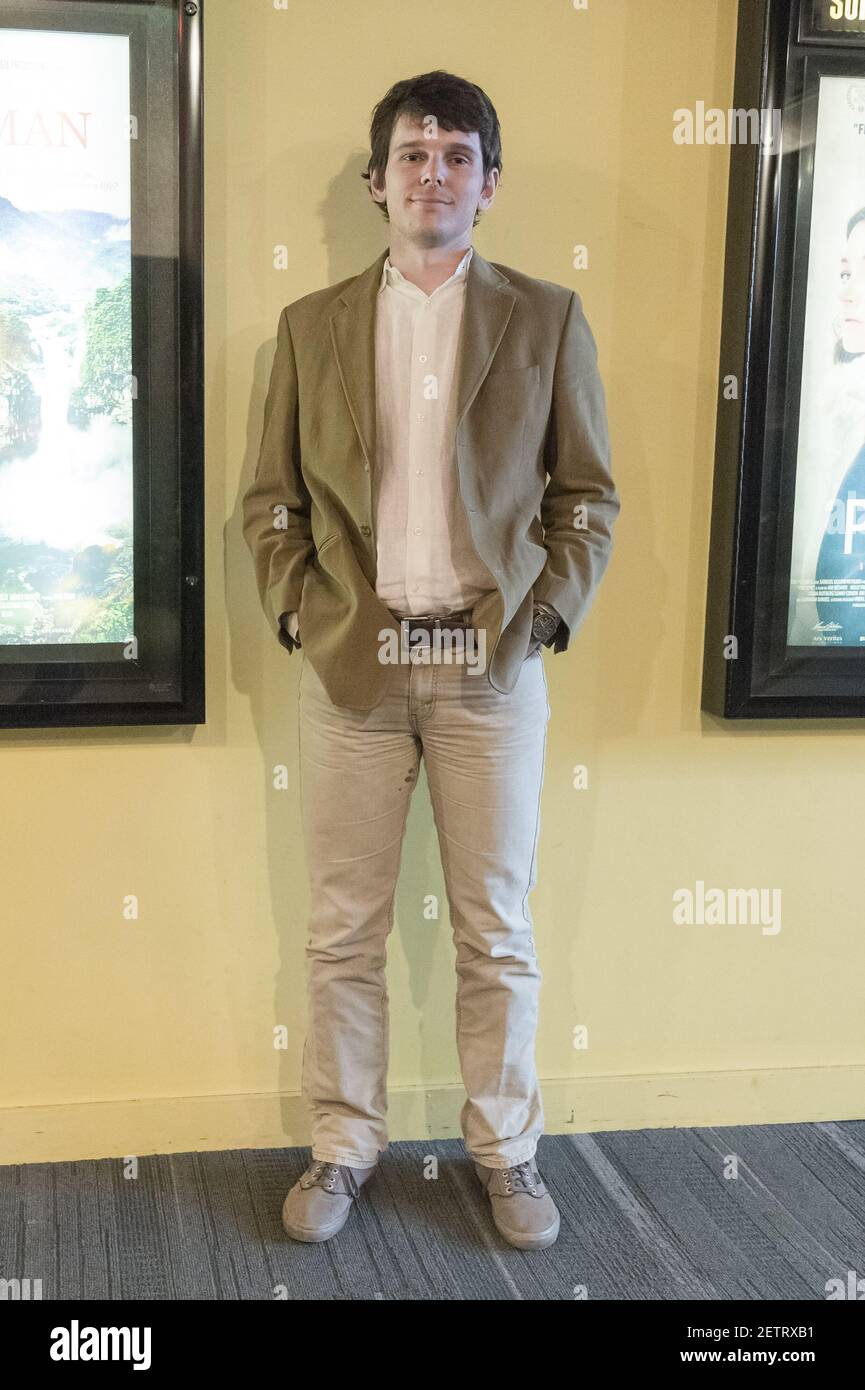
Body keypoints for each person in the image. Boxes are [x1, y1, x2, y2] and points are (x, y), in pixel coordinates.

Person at [242, 69, 620, 1251]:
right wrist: (303, 613)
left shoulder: (546, 318)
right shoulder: (309, 328)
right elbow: (268, 502)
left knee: (493, 928)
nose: (434, 173)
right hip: (355, 665)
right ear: (376, 182)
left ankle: (505, 1151)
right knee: (342, 928)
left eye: (458, 155)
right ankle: (343, 1144)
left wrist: (543, 619)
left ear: (488, 183)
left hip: (488, 667)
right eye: (413, 154)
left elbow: (587, 497)